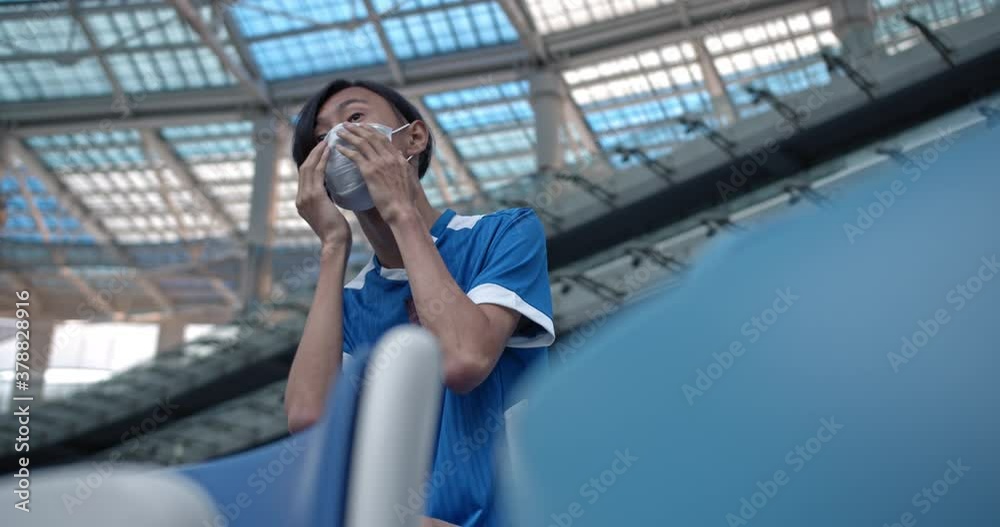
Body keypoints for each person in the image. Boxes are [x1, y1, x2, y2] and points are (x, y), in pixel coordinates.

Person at [284, 79, 556, 527]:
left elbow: (463, 359)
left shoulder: (504, 233)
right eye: (319, 138)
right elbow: (310, 419)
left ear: (413, 137)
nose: (337, 140)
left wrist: (402, 212)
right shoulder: (349, 302)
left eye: (354, 119)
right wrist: (333, 247)